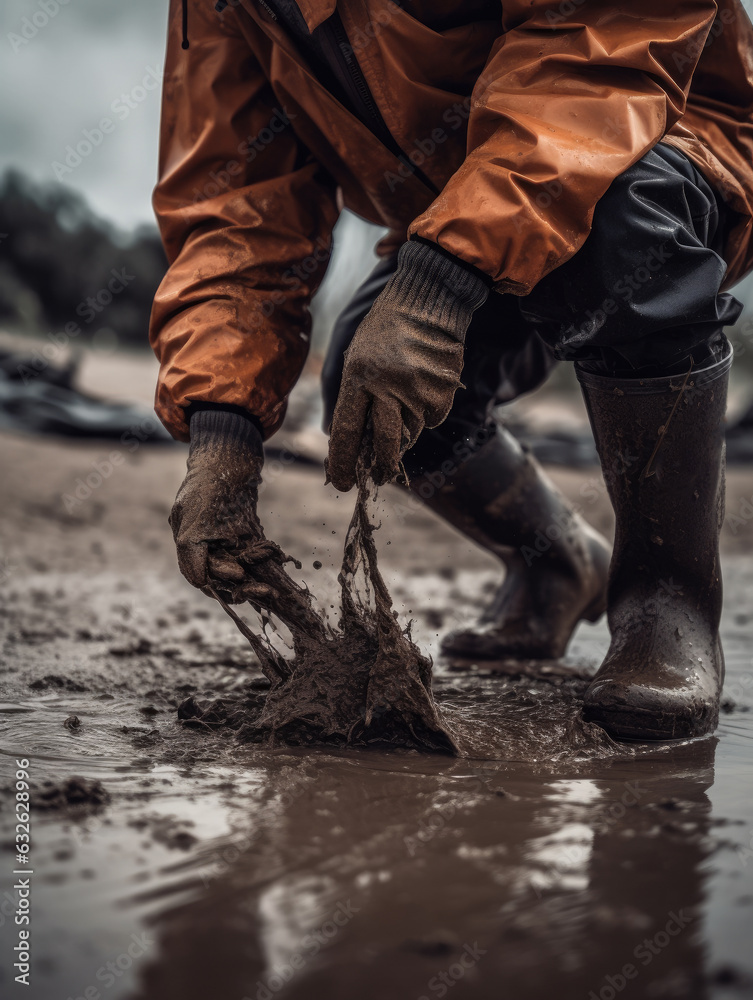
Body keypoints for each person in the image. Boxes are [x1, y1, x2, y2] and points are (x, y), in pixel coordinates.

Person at [150, 0, 753, 740]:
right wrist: (222, 433)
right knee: (370, 391)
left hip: (661, 134)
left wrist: (437, 284)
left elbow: (599, 53)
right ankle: (558, 564)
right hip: (467, 200)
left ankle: (668, 606)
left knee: (617, 227)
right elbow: (236, 205)